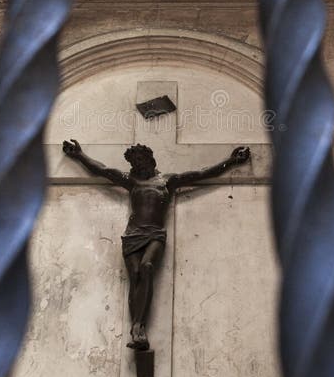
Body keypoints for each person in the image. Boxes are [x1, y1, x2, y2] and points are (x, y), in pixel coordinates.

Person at [63, 139, 251, 351]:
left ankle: (138, 326)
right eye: (135, 164)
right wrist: (79, 155)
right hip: (132, 235)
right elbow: (103, 170)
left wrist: (231, 161)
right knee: (134, 276)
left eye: (141, 162)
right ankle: (137, 330)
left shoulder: (168, 181)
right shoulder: (131, 181)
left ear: (151, 161)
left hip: (155, 234)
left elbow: (202, 174)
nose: (138, 166)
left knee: (147, 267)